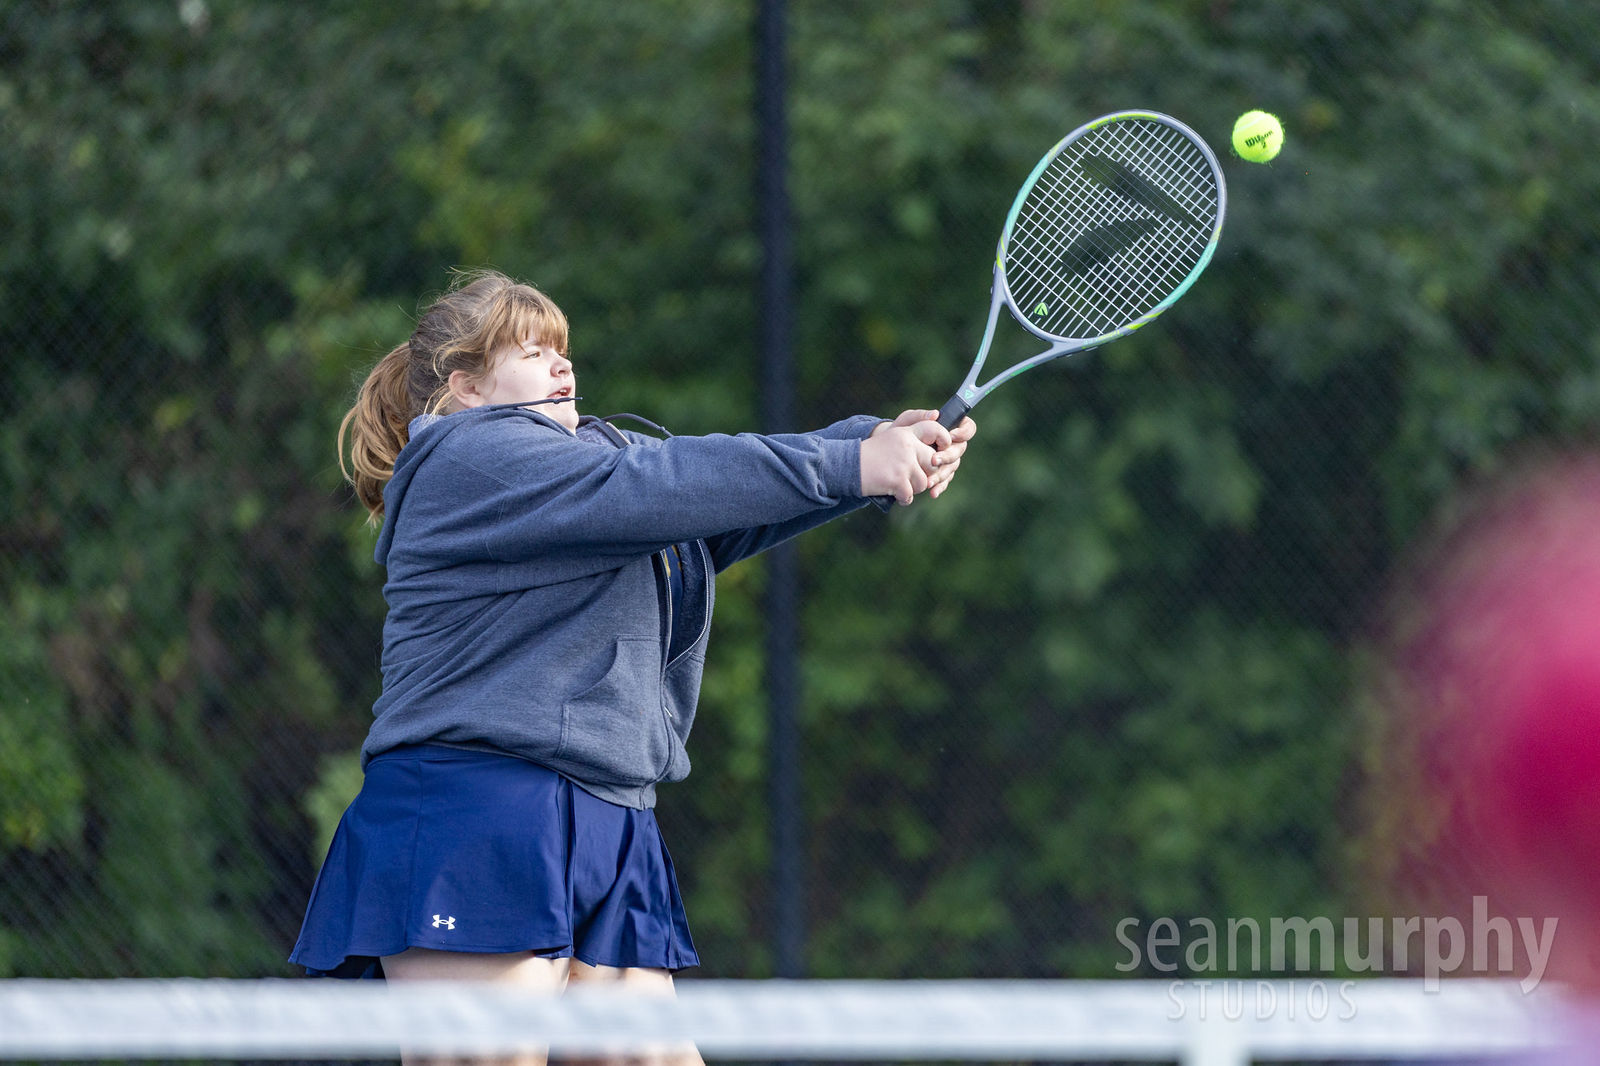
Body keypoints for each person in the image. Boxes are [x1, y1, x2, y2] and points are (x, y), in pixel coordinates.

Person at [289, 269, 976, 1065]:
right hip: (476, 811)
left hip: (611, 816)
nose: (562, 366)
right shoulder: (468, 457)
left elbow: (699, 513)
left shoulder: (588, 473)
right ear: (466, 388)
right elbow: (656, 483)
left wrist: (868, 451)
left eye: (563, 349)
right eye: (533, 349)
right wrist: (853, 462)